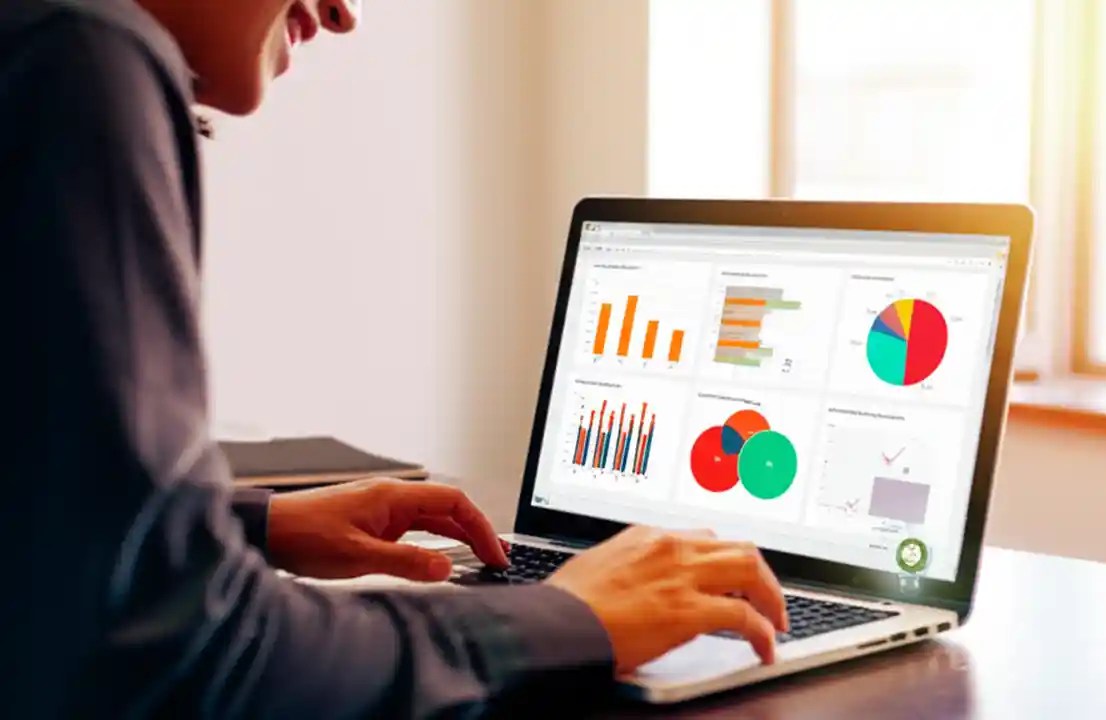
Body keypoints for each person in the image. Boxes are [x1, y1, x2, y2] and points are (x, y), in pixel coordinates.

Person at [0, 0, 789, 716]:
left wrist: (248, 527)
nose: (343, 13)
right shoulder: (79, 53)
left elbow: (49, 545)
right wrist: (564, 619)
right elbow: (180, 662)